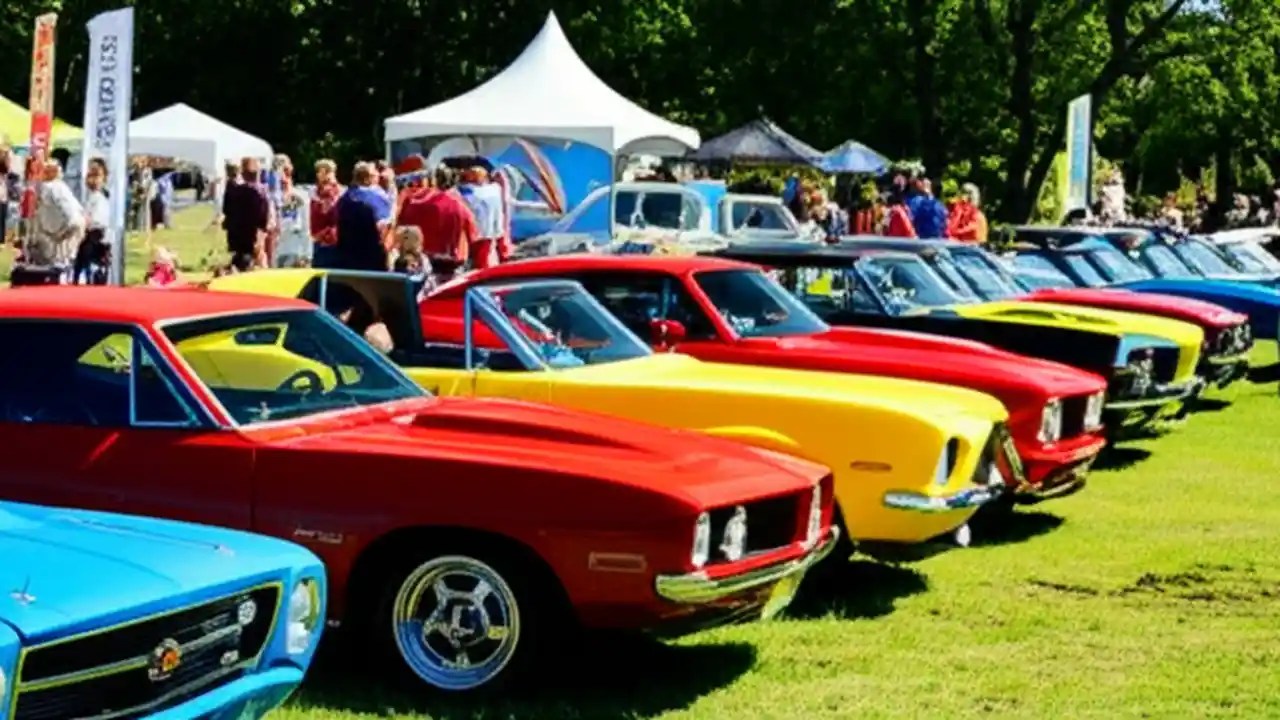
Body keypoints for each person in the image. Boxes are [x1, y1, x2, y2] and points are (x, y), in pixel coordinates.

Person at [396, 164, 475, 268]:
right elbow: (472, 233)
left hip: (419, 260)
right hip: (451, 261)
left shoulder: (410, 202)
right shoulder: (457, 204)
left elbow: (399, 229)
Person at [28, 159, 86, 282]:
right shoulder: (61, 187)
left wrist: (60, 234)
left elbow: (71, 216)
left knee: (58, 267)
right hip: (67, 231)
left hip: (59, 236)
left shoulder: (50, 188)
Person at [334, 161, 393, 271]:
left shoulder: (343, 198)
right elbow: (384, 227)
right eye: (375, 176)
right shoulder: (376, 197)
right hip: (371, 256)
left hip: (346, 256)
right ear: (367, 178)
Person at [221, 157, 270, 272]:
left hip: (236, 237)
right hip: (252, 237)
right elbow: (263, 218)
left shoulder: (234, 191)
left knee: (239, 262)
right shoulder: (260, 193)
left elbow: (226, 209)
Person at [457, 166, 504, 269]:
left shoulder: (468, 193)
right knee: (484, 262)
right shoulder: (495, 190)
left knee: (477, 263)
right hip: (489, 233)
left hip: (475, 233)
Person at [73, 157, 111, 284]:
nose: (92, 180)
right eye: (90, 175)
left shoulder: (102, 197)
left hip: (97, 233)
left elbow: (96, 219)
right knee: (81, 260)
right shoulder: (90, 196)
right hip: (88, 233)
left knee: (86, 256)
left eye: (96, 176)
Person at [273, 166, 312, 267]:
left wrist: (307, 254)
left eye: (286, 175)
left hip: (295, 251)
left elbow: (306, 226)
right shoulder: (272, 197)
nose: (283, 180)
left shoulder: (301, 197)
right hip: (276, 251)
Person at [309, 158, 343, 268]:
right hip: (316, 241)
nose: (323, 175)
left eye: (327, 172)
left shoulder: (340, 193)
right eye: (319, 172)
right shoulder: (312, 193)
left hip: (334, 242)